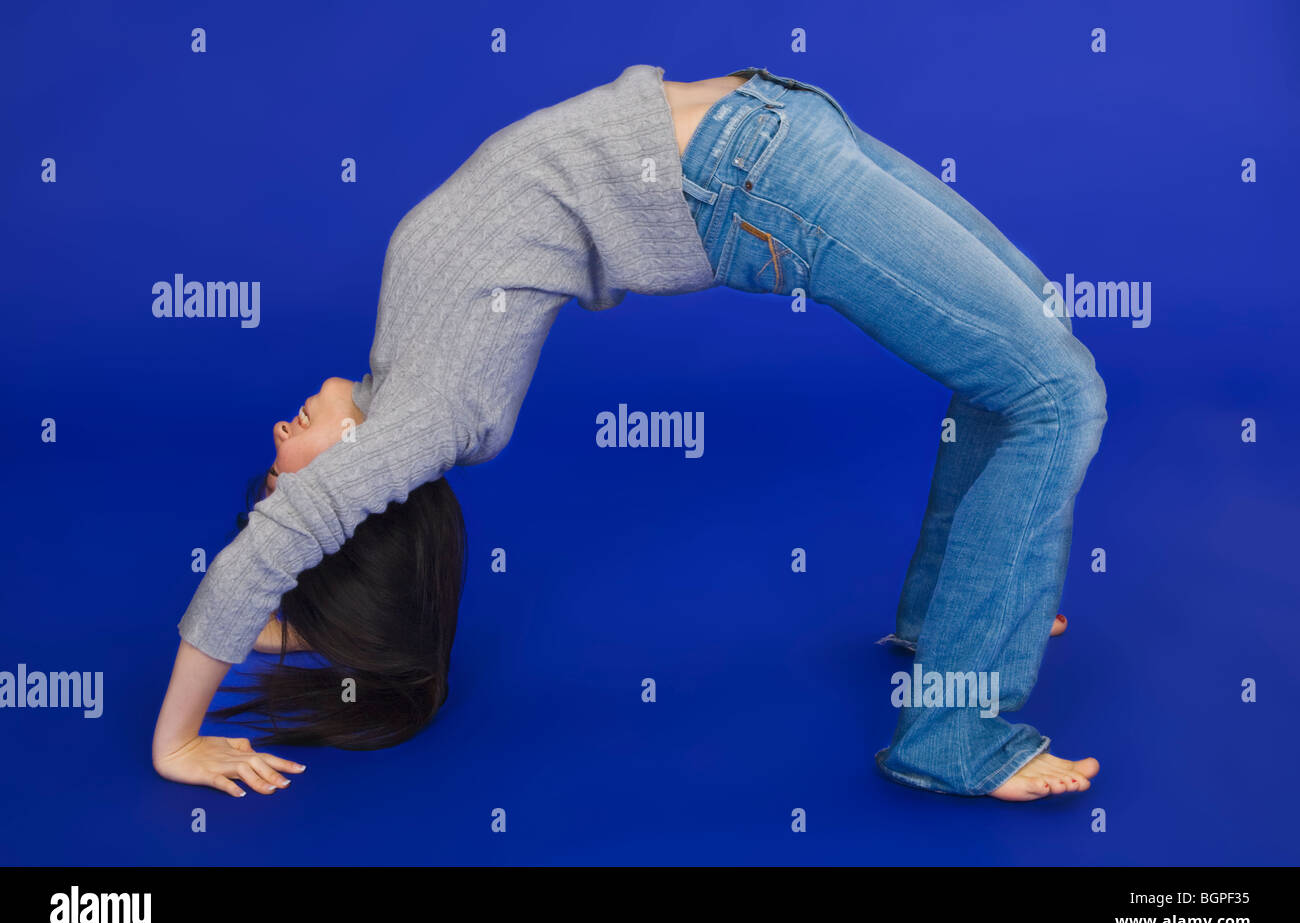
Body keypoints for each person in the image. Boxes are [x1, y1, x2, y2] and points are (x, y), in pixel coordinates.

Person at [152, 64, 1103, 803]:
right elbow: (268, 556)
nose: (275, 445)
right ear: (355, 502)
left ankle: (968, 616)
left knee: (1029, 343)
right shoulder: (429, 418)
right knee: (1057, 393)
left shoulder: (397, 366)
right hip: (760, 180)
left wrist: (307, 629)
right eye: (282, 480)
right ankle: (956, 739)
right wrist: (179, 740)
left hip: (782, 121)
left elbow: (291, 579)